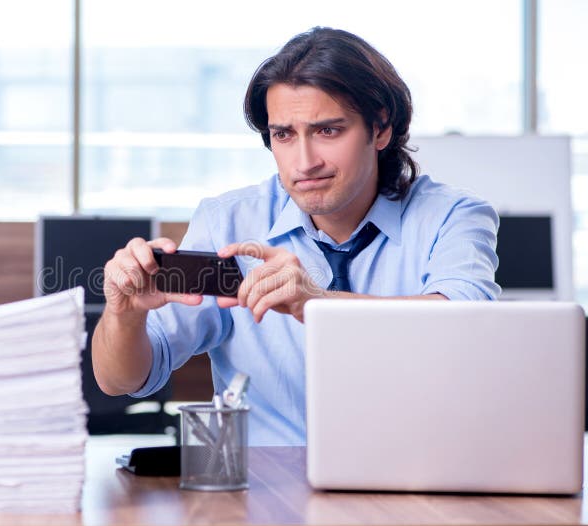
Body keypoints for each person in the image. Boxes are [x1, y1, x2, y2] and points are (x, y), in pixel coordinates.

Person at [91, 27, 500, 446]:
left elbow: (468, 326)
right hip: (267, 493)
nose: (304, 162)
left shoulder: (454, 216)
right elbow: (121, 380)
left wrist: (318, 303)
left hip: (411, 483)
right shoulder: (227, 222)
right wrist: (124, 315)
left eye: (328, 131)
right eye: (284, 135)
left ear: (380, 128)